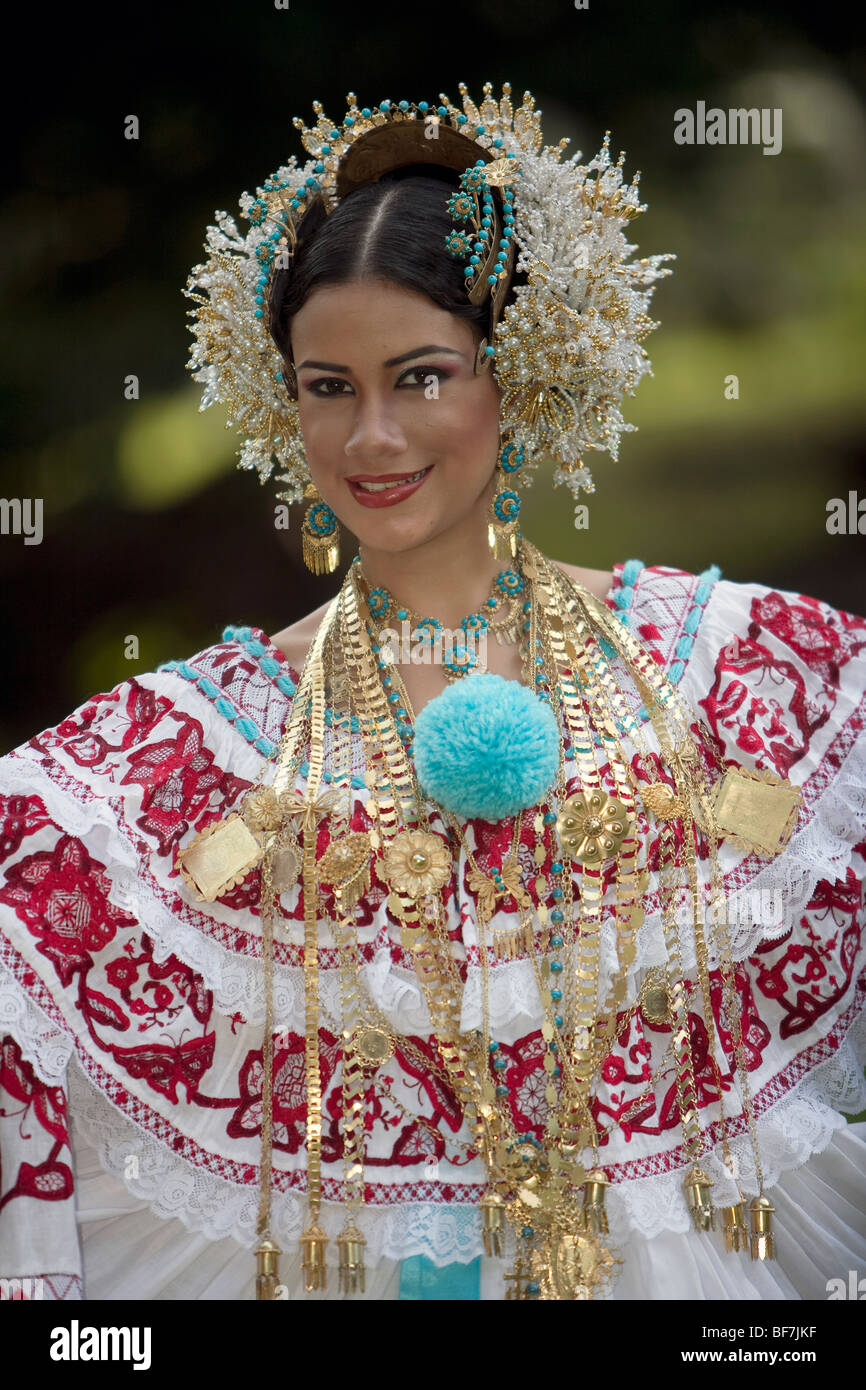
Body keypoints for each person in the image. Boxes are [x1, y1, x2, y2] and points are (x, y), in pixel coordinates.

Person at [1, 83, 864, 1304]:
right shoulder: (204, 739)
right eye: (326, 387)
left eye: (418, 377)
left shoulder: (733, 664)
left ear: (521, 372)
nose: (371, 438)